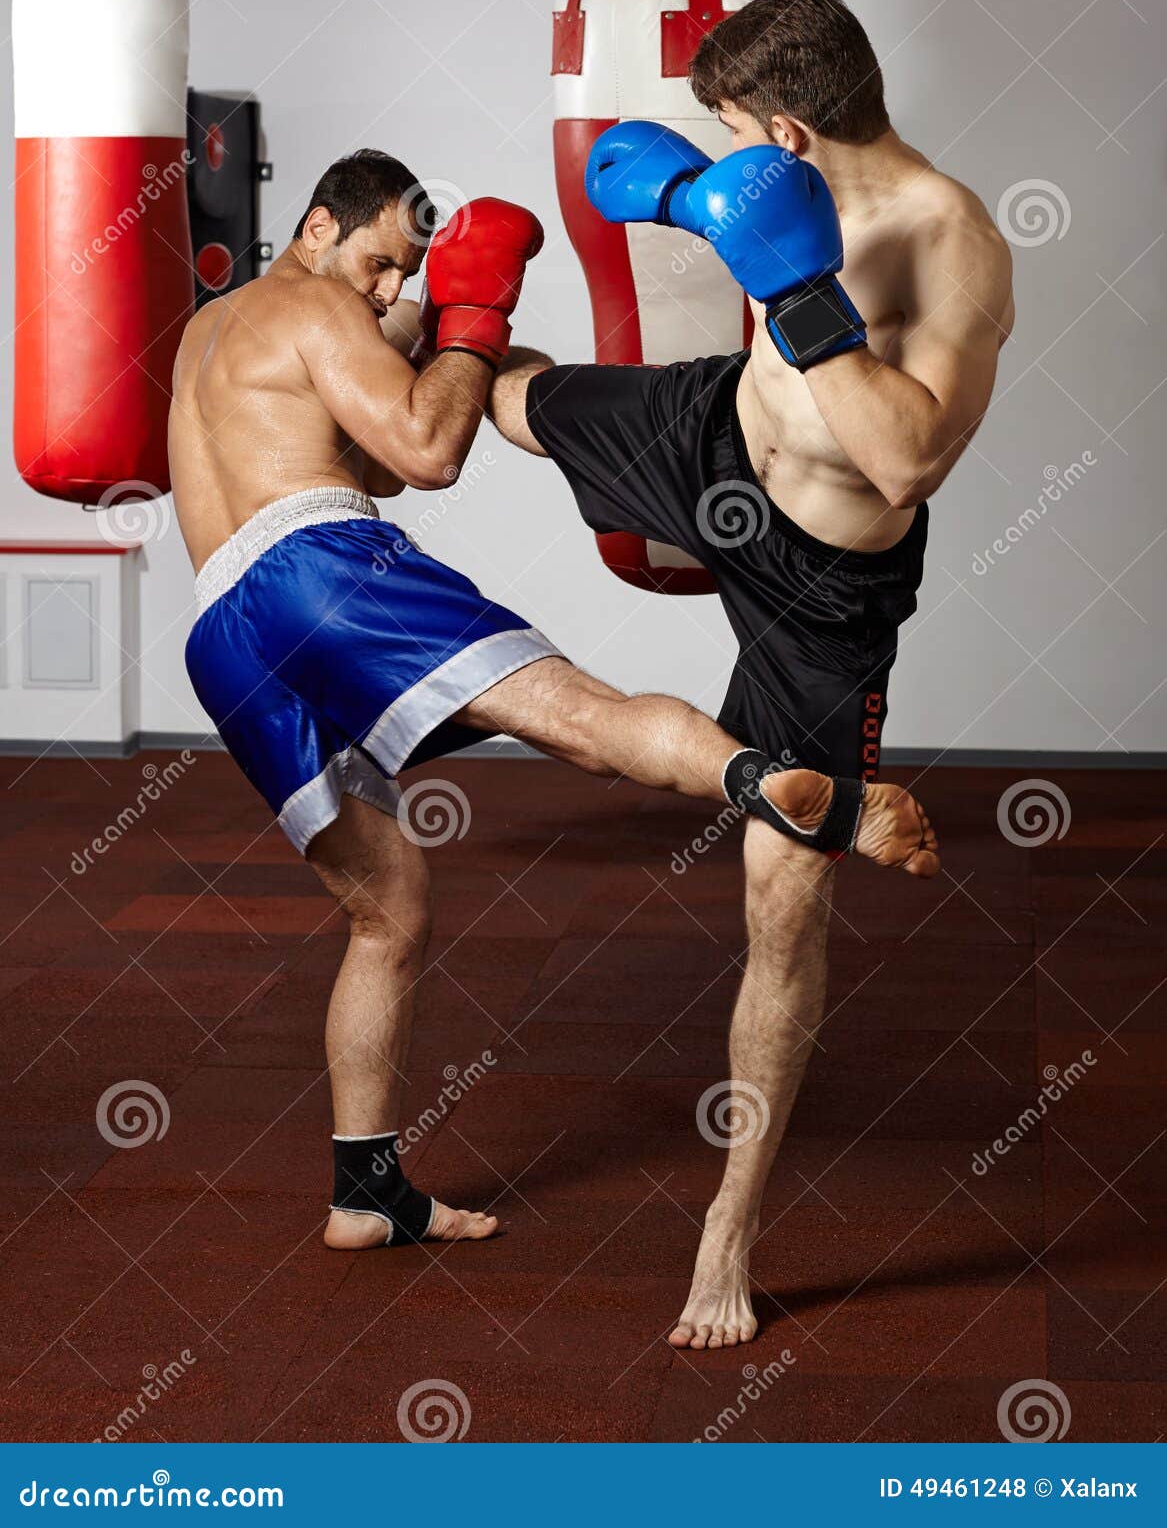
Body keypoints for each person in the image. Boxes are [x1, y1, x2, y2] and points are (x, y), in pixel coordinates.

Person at [169, 149, 938, 1285]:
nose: (387, 292)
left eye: (405, 277)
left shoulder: (214, 331)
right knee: (578, 713)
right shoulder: (314, 300)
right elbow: (426, 455)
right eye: (384, 261)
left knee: (387, 912)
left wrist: (442, 341)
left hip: (222, 633)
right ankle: (775, 784)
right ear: (321, 226)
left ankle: (365, 1189)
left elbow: (370, 451)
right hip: (319, 568)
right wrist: (474, 314)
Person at [482, 0, 1012, 1348]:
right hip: (720, 436)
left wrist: (790, 276)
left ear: (787, 125)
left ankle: (728, 1224)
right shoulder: (771, 177)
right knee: (505, 398)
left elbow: (901, 457)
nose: (725, 162)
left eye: (733, 138)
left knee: (779, 898)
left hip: (820, 583)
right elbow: (726, 210)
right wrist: (680, 201)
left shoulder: (947, 242)